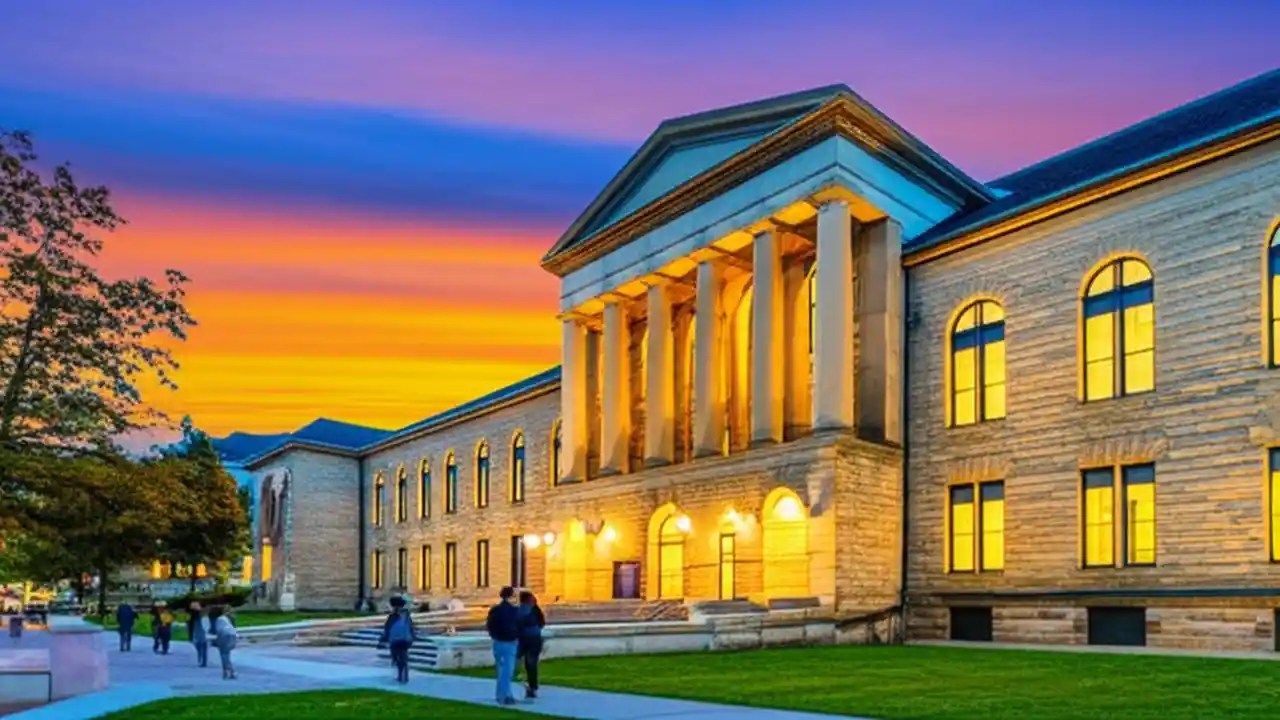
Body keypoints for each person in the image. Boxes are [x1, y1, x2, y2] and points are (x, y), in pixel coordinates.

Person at [485, 586, 520, 706]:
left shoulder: (495, 610)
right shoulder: (514, 611)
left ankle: (501, 694)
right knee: (508, 670)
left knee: (501, 669)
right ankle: (506, 696)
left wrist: (494, 635)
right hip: (509, 642)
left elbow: (490, 625)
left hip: (498, 641)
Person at [516, 591, 546, 700]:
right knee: (531, 664)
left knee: (528, 664)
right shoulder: (530, 610)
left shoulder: (527, 610)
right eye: (532, 598)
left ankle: (530, 687)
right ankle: (531, 687)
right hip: (531, 639)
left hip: (526, 640)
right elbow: (541, 623)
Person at [379, 595, 415, 683]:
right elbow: (387, 628)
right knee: (397, 658)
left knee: (403, 659)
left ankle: (404, 676)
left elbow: (410, 627)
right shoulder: (394, 616)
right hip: (395, 639)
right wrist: (384, 638)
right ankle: (401, 675)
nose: (396, 608)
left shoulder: (405, 615)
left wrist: (412, 636)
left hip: (403, 639)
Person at [211, 606, 238, 680]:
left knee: (224, 655)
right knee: (226, 655)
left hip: (224, 636)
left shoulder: (220, 619)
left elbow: (219, 630)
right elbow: (234, 630)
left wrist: (217, 639)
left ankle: (230, 671)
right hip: (232, 636)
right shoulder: (230, 620)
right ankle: (226, 672)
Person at [187, 602, 210, 668]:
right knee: (203, 647)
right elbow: (207, 625)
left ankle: (201, 659)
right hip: (202, 633)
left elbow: (190, 628)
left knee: (199, 647)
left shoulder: (191, 617)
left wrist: (190, 637)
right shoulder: (202, 616)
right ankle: (203, 661)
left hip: (197, 634)